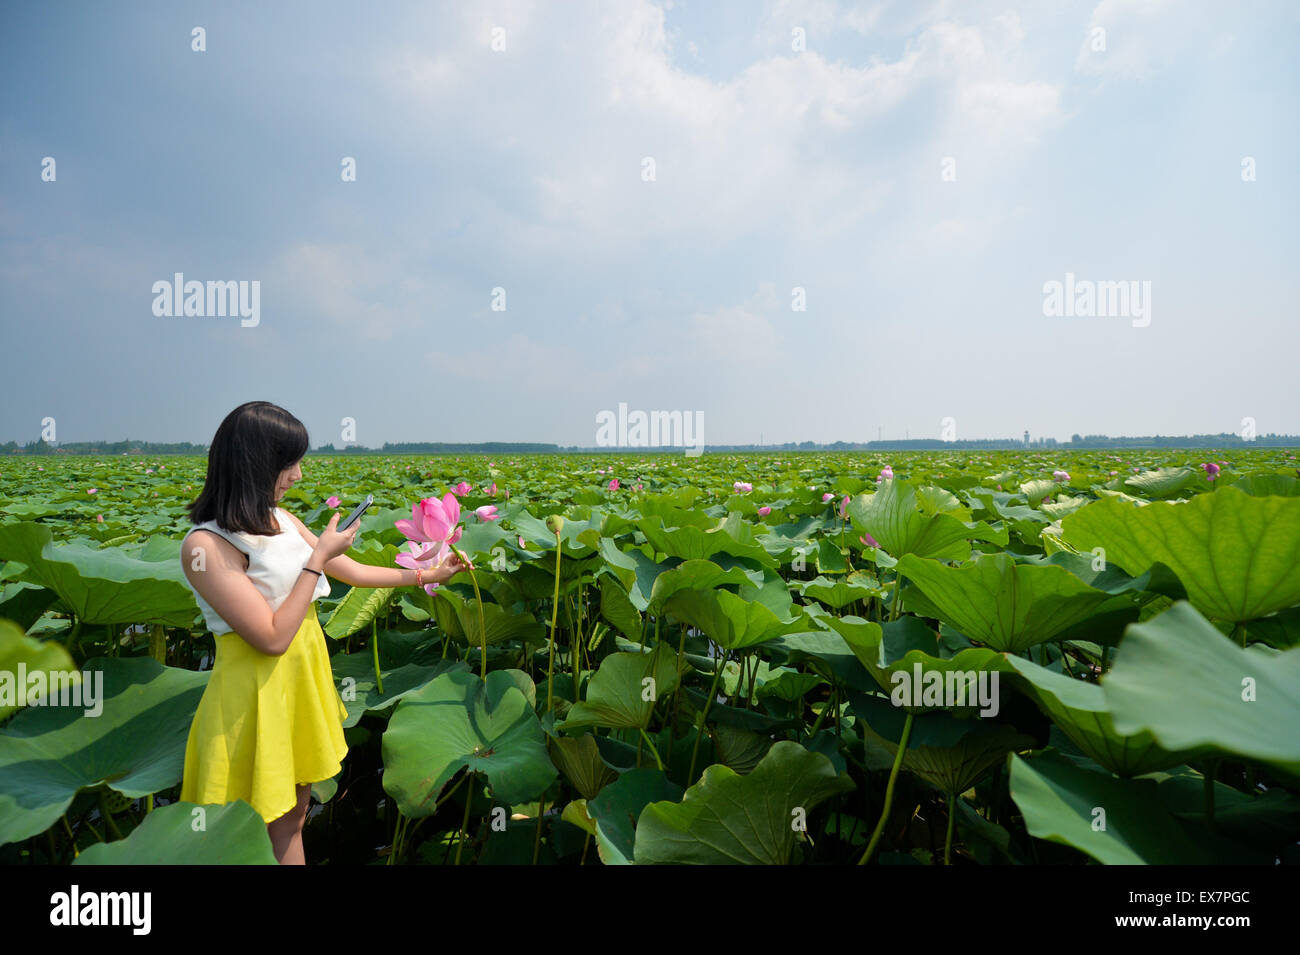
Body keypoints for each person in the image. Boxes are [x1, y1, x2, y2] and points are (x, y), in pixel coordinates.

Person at [178, 401, 469, 864]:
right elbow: (271, 637)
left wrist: (429, 574)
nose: (297, 475)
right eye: (288, 463)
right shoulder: (206, 545)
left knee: (294, 815)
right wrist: (316, 560)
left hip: (303, 684)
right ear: (255, 464)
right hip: (253, 696)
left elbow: (350, 571)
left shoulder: (282, 520)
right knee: (251, 826)